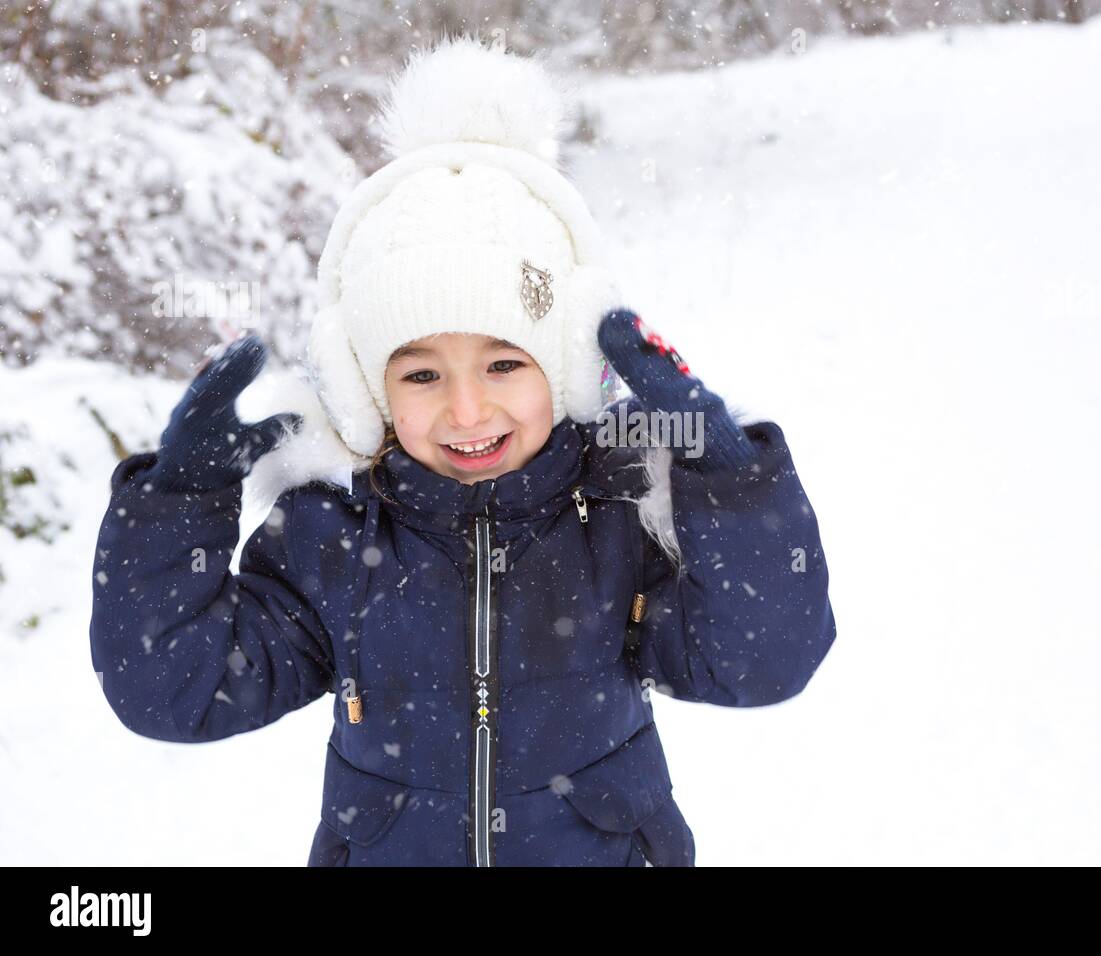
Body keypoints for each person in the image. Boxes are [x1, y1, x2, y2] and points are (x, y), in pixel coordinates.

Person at [89, 34, 836, 867]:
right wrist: (179, 503)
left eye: (505, 364)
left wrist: (728, 482)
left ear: (566, 371)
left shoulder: (618, 514)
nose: (467, 408)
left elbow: (763, 660)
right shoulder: (332, 535)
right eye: (420, 374)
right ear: (368, 389)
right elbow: (172, 690)